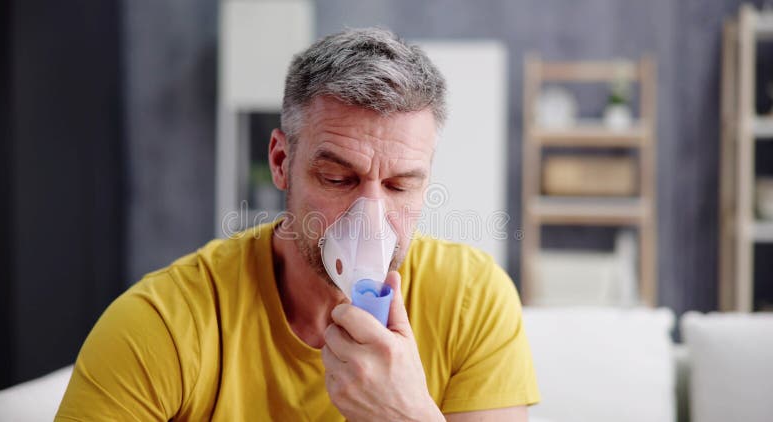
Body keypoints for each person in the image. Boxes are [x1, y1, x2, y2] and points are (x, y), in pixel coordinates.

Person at [56, 27, 539, 421]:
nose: (371, 220)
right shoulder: (163, 326)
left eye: (399, 186)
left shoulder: (472, 299)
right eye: (337, 177)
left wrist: (408, 415)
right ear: (282, 160)